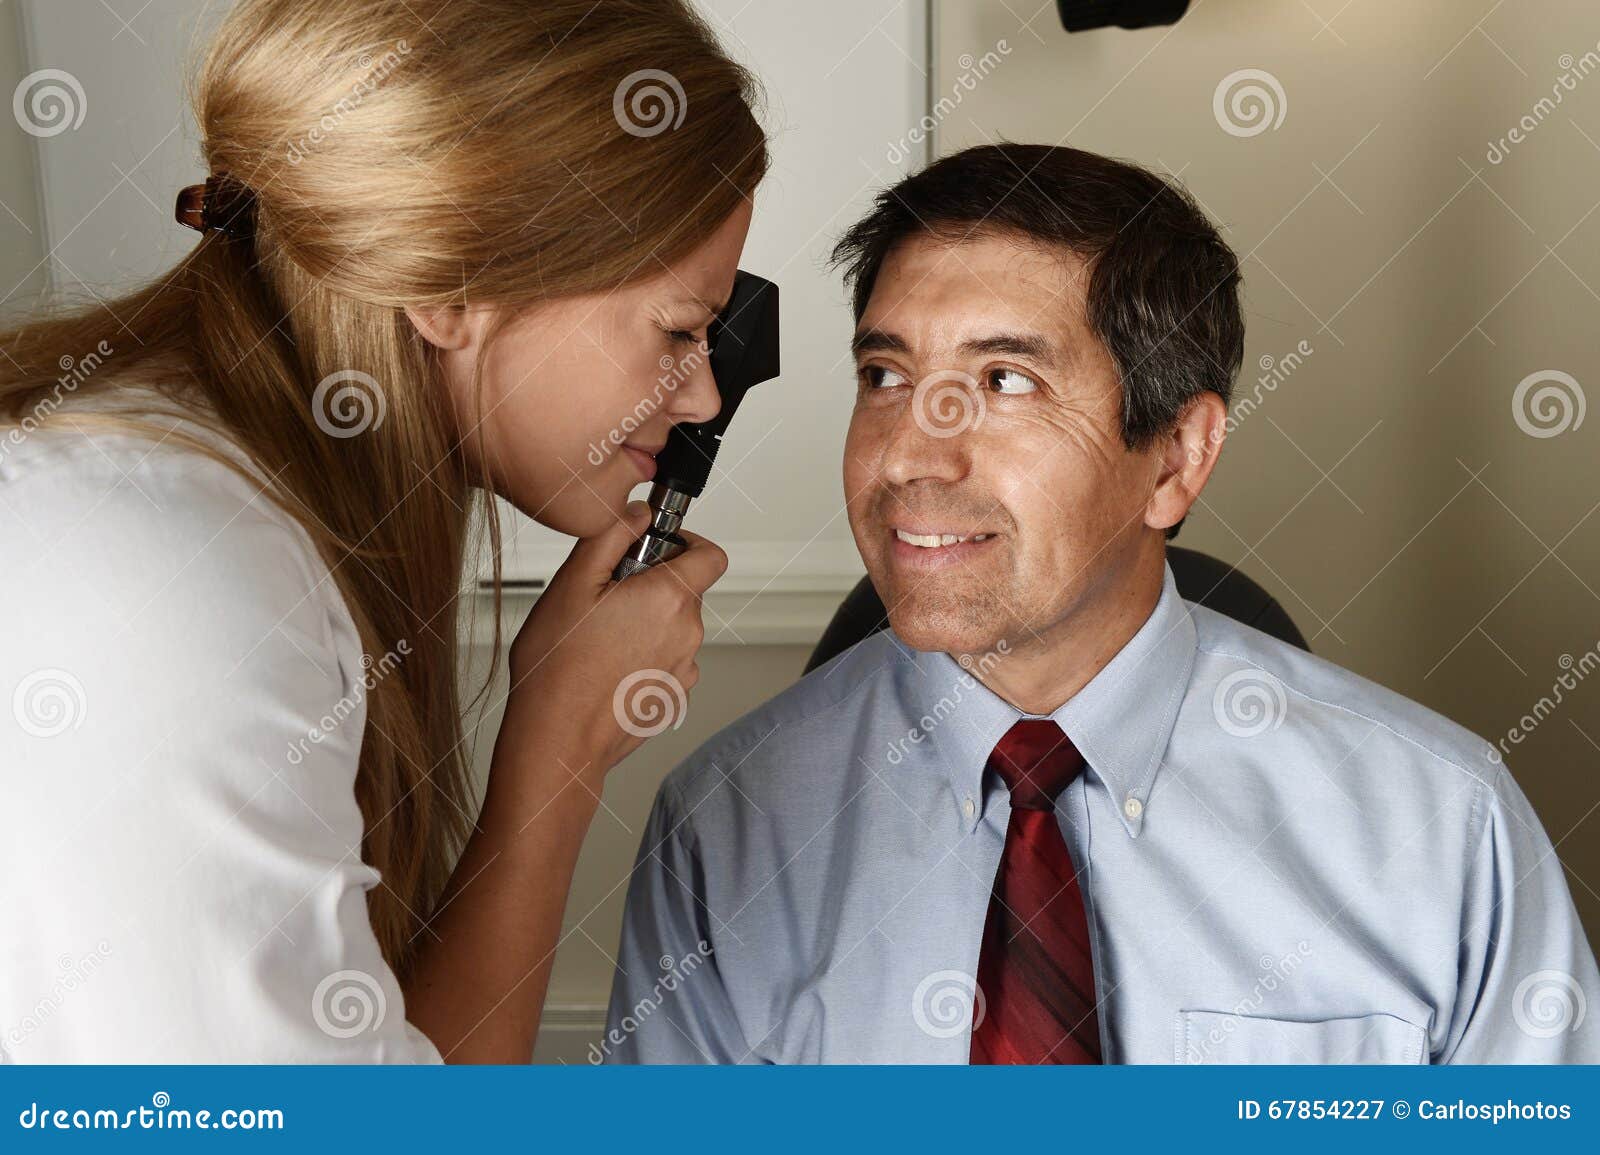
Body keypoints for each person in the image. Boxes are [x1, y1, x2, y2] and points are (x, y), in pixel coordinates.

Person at [603, 142, 1600, 1064]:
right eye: (885, 375)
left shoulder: (1441, 827)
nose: (910, 453)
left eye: (1004, 380)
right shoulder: (723, 829)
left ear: (1176, 457)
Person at [0, 0, 765, 1063]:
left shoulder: (232, 506)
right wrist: (557, 764)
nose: (701, 398)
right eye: (680, 330)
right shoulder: (173, 577)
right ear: (453, 288)